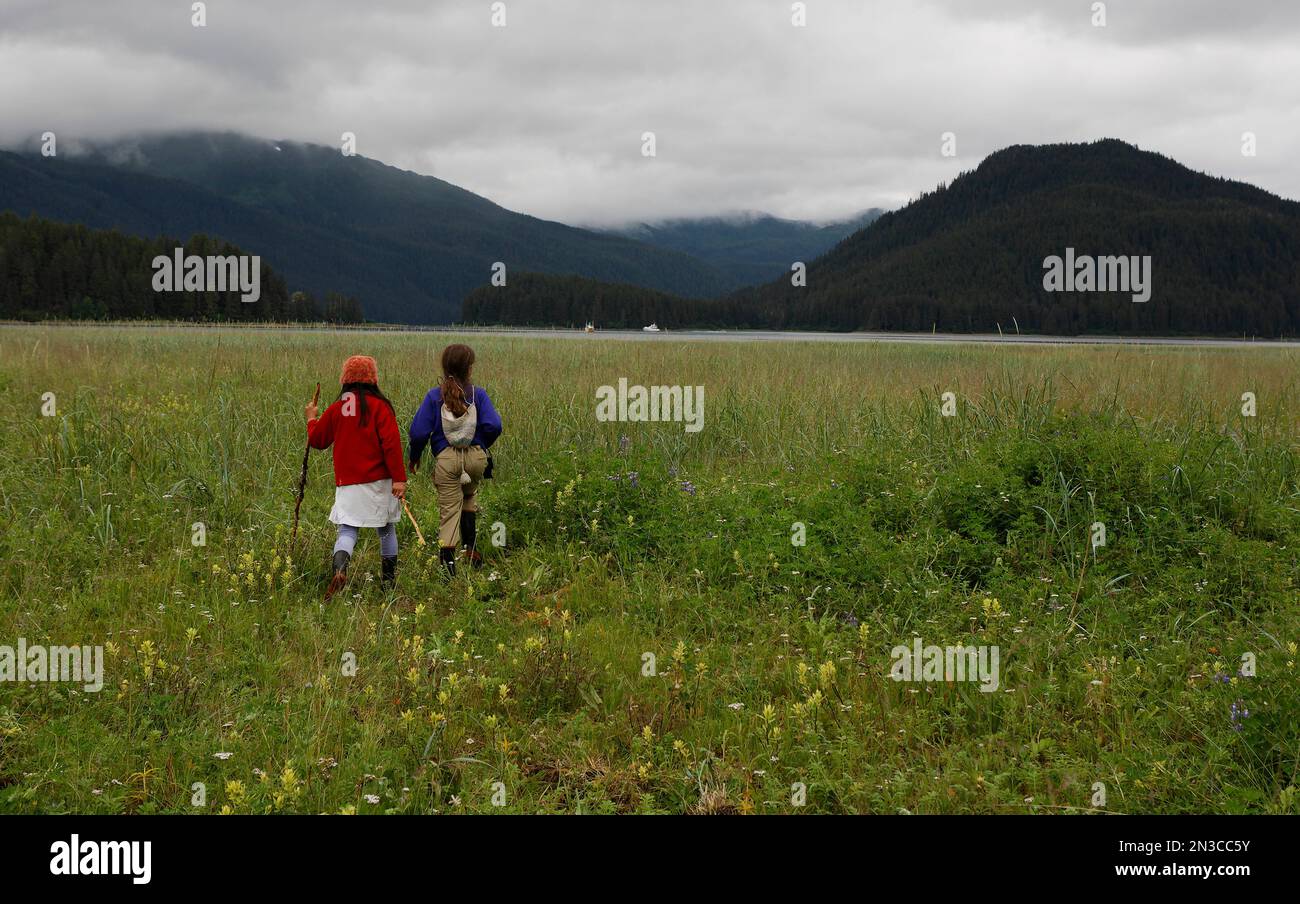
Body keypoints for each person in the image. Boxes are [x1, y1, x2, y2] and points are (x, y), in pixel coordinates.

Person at [305, 355, 407, 598]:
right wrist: (399, 479)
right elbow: (391, 444)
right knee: (386, 530)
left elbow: (318, 440)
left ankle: (340, 570)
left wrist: (311, 418)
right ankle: (388, 584)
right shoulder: (381, 406)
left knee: (347, 531)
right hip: (380, 481)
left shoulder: (338, 406)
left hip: (348, 483)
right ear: (373, 378)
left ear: (345, 379)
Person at [409, 344, 502, 575]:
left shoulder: (434, 396)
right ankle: (471, 551)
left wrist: (415, 456)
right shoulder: (478, 395)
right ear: (469, 368)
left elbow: (419, 432)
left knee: (450, 511)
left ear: (445, 366)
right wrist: (480, 445)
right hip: (476, 459)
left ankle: (449, 571)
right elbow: (495, 425)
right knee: (468, 497)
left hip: (447, 459)